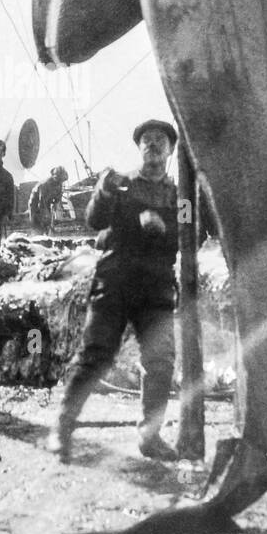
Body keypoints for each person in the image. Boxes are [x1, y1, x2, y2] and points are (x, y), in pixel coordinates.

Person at [47, 119, 180, 464]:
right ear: (138, 148)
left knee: (161, 362)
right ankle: (62, 428)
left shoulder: (179, 196)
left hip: (157, 288)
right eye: (146, 140)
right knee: (96, 355)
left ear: (170, 150)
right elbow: (93, 221)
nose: (152, 145)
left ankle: (150, 437)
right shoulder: (119, 185)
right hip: (116, 281)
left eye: (159, 140)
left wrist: (164, 229)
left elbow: (194, 237)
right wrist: (102, 192)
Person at [28, 165, 68, 233]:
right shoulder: (45, 184)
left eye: (62, 180)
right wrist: (46, 215)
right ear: (55, 177)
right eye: (59, 180)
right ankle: (38, 234)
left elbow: (58, 196)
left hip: (47, 201)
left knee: (47, 221)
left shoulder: (59, 183)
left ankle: (47, 231)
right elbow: (41, 202)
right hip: (35, 202)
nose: (60, 182)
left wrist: (56, 203)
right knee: (37, 223)